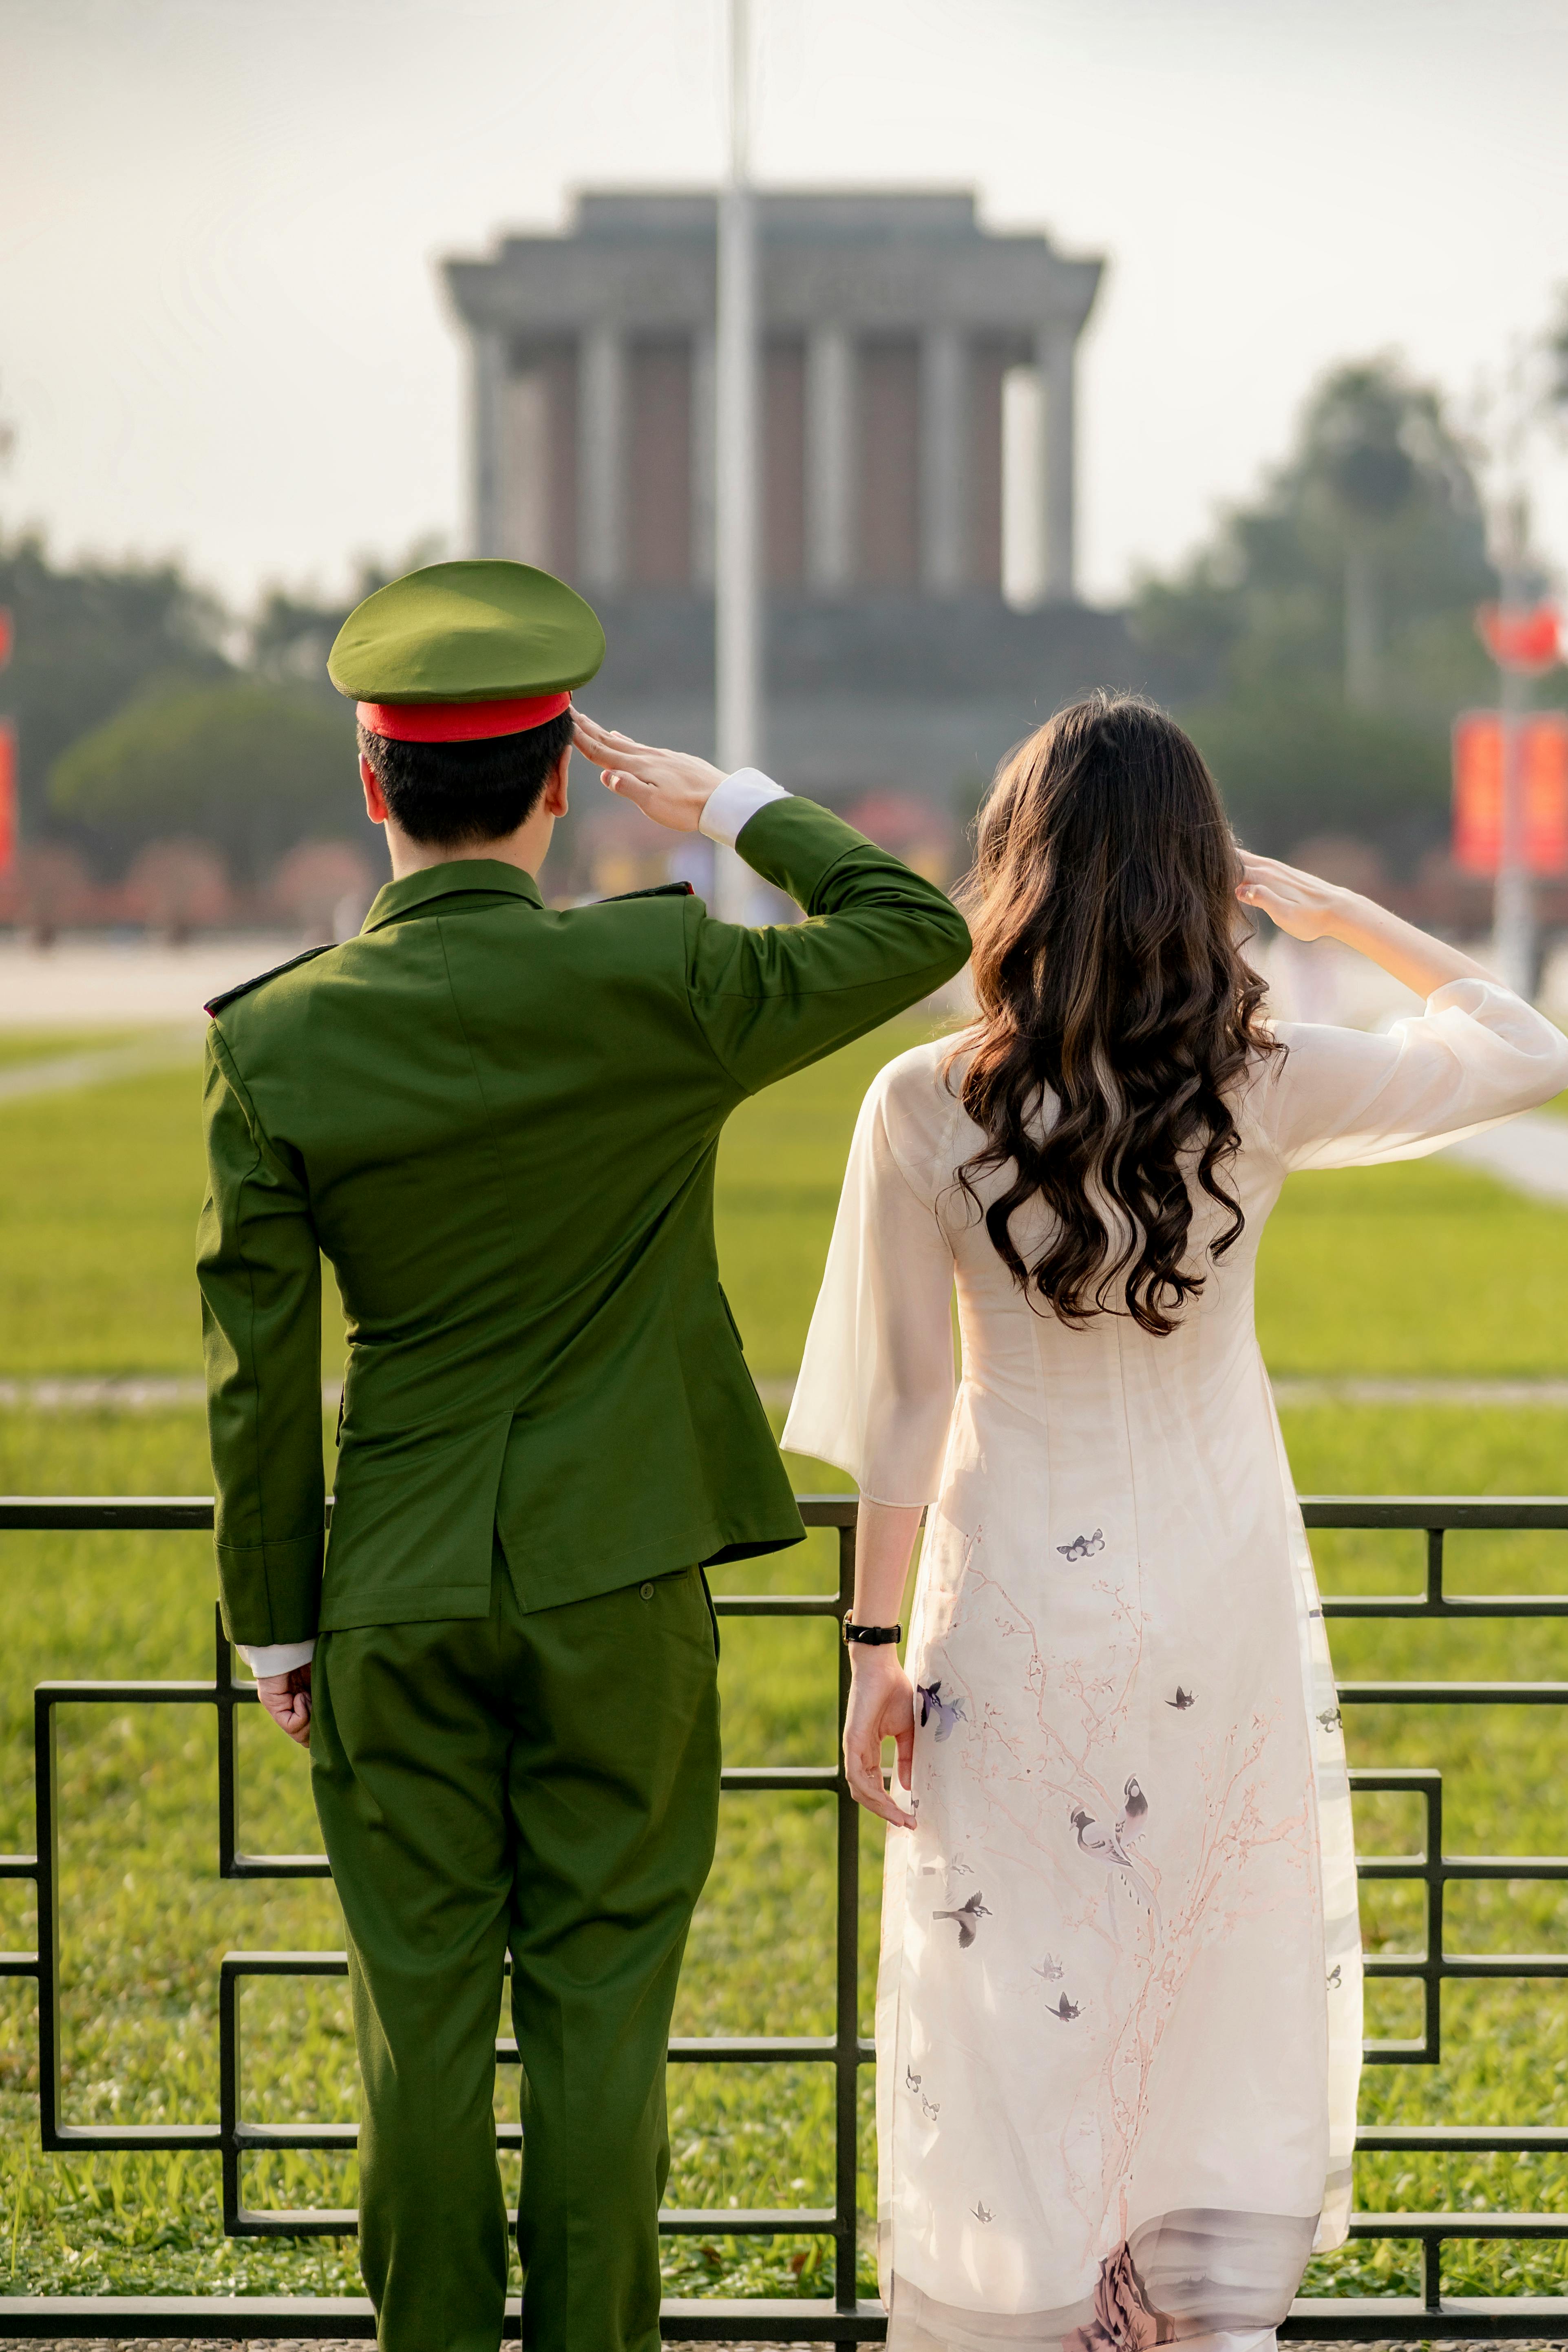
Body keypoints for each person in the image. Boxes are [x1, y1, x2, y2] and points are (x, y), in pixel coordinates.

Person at [195, 557, 970, 2352]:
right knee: (607, 2020)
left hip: (390, 1585)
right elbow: (912, 931)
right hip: (622, 1577)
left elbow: (254, 1370)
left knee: (419, 2029)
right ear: (559, 786)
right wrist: (732, 807)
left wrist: (277, 1625)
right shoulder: (657, 973)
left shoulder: (276, 1040)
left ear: (372, 787)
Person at [782, 691, 1568, 2352]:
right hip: (1209, 1608)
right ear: (1197, 880)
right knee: (1199, 1969)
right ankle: (1175, 2319)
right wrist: (1340, 912)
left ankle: (1039, 2308)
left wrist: (867, 1650)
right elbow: (1526, 1047)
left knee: (1015, 1983)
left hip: (1002, 1601)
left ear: (1014, 871)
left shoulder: (922, 1103)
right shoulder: (1260, 1083)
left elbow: (907, 1412)